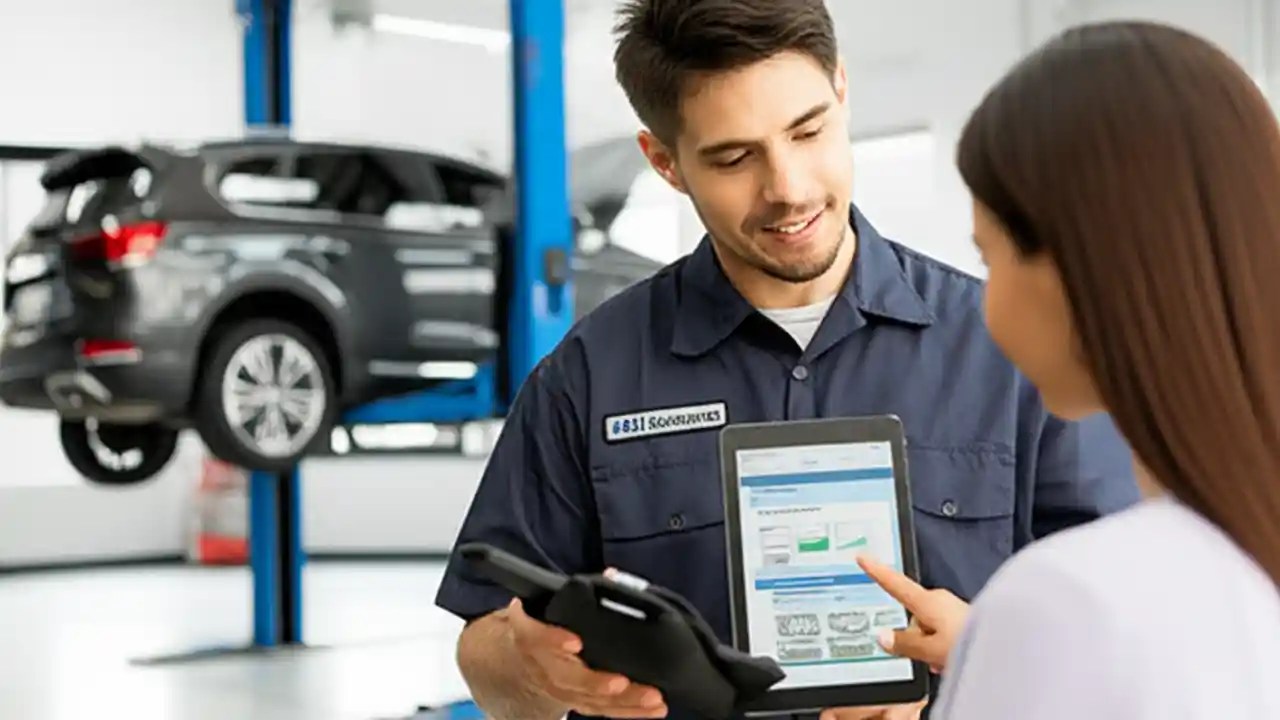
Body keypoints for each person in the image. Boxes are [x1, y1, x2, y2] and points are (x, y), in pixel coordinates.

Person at [434, 2, 1139, 719]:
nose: (790, 189)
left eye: (808, 131)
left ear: (841, 91)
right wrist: (531, 670)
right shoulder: (590, 374)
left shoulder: (1011, 346)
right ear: (664, 162)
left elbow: (1129, 632)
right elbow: (484, 643)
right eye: (735, 158)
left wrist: (983, 659)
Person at [853, 20, 1280, 719]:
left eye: (988, 257)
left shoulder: (1062, 600)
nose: (982, 298)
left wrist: (1007, 658)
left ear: (1073, 272)